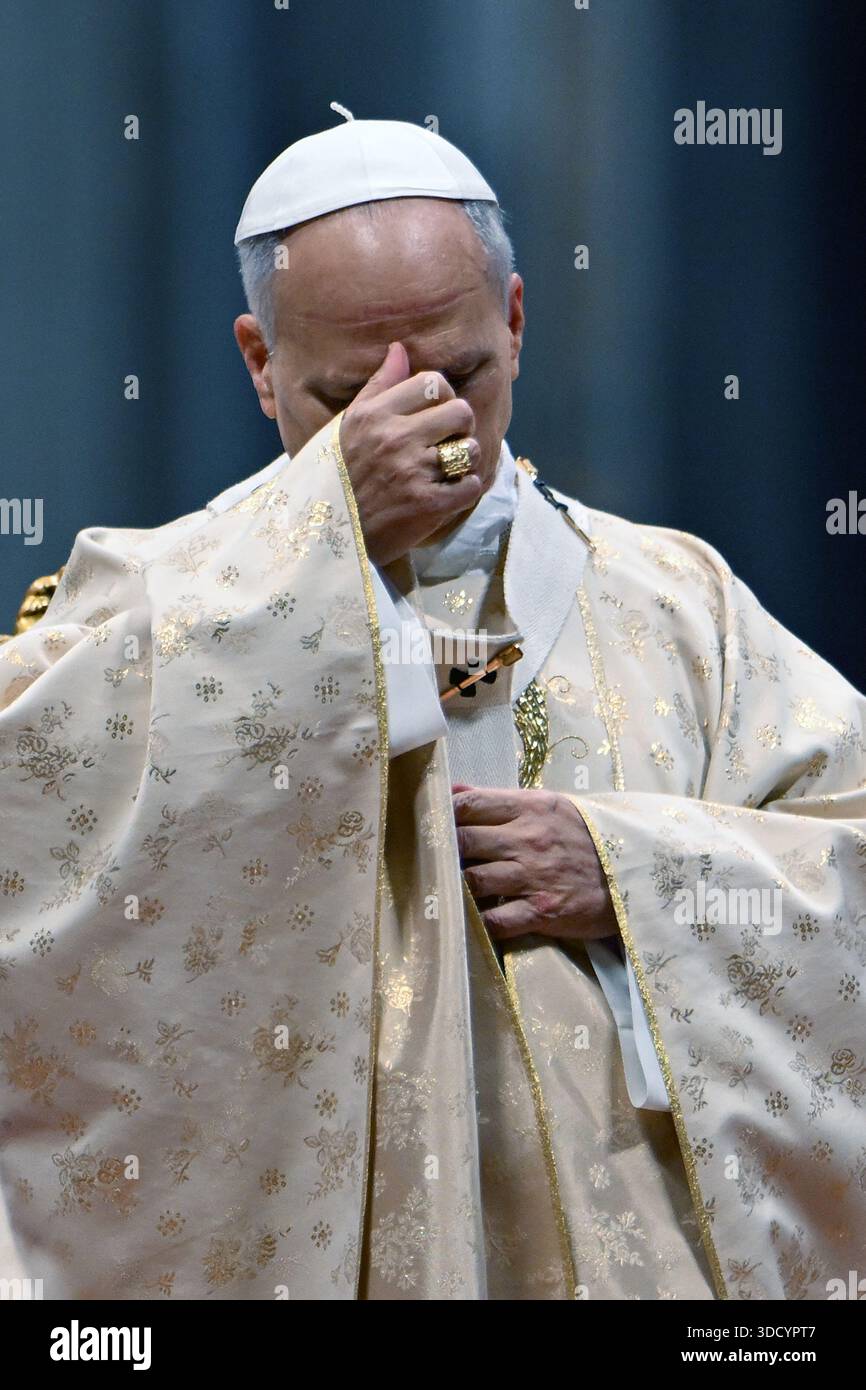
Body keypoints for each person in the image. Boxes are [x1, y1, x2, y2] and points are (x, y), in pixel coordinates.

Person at [0, 111, 863, 1300]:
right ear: (257, 361)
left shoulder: (681, 606)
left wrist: (635, 872)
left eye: (459, 379)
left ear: (514, 320)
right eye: (349, 396)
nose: (426, 439)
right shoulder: (140, 602)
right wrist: (313, 553)